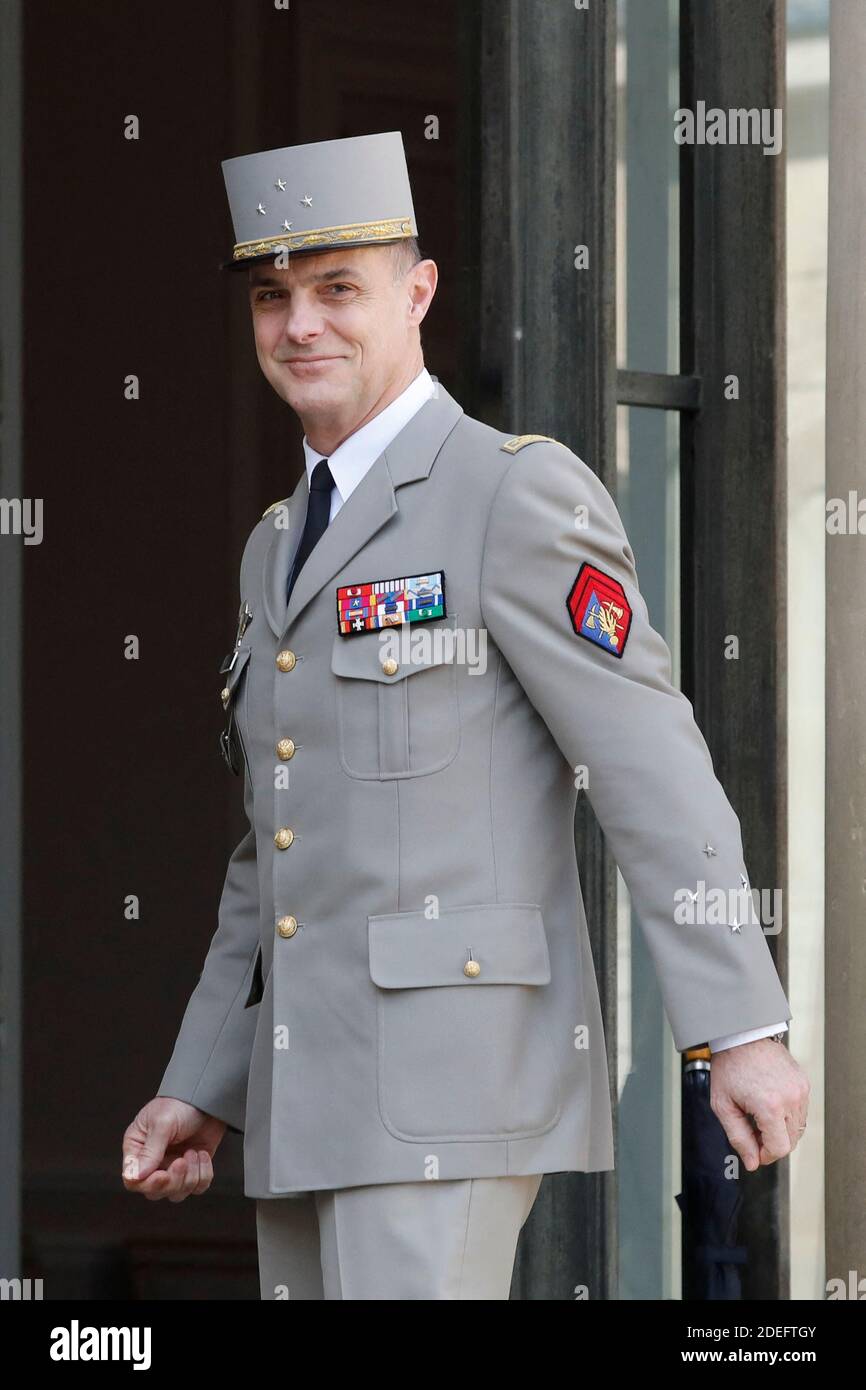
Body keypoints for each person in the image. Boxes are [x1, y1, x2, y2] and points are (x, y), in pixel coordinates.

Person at [122, 132, 809, 1300]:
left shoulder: (511, 490)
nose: (302, 327)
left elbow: (647, 763)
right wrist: (206, 1080)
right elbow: (270, 852)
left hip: (448, 1088)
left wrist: (735, 1025)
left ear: (417, 292)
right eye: (274, 296)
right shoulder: (275, 547)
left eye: (339, 288)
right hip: (304, 1106)